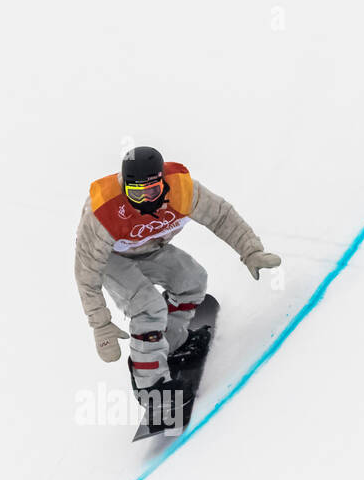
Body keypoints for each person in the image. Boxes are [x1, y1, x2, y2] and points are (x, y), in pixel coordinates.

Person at [74, 146, 281, 424]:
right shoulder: (103, 213)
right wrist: (101, 326)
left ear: (163, 182)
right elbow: (86, 274)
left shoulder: (183, 190)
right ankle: (151, 387)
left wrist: (250, 249)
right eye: (137, 194)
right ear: (125, 189)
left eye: (153, 191)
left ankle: (170, 343)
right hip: (112, 259)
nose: (146, 200)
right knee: (149, 308)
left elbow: (221, 216)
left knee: (193, 281)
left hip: (149, 248)